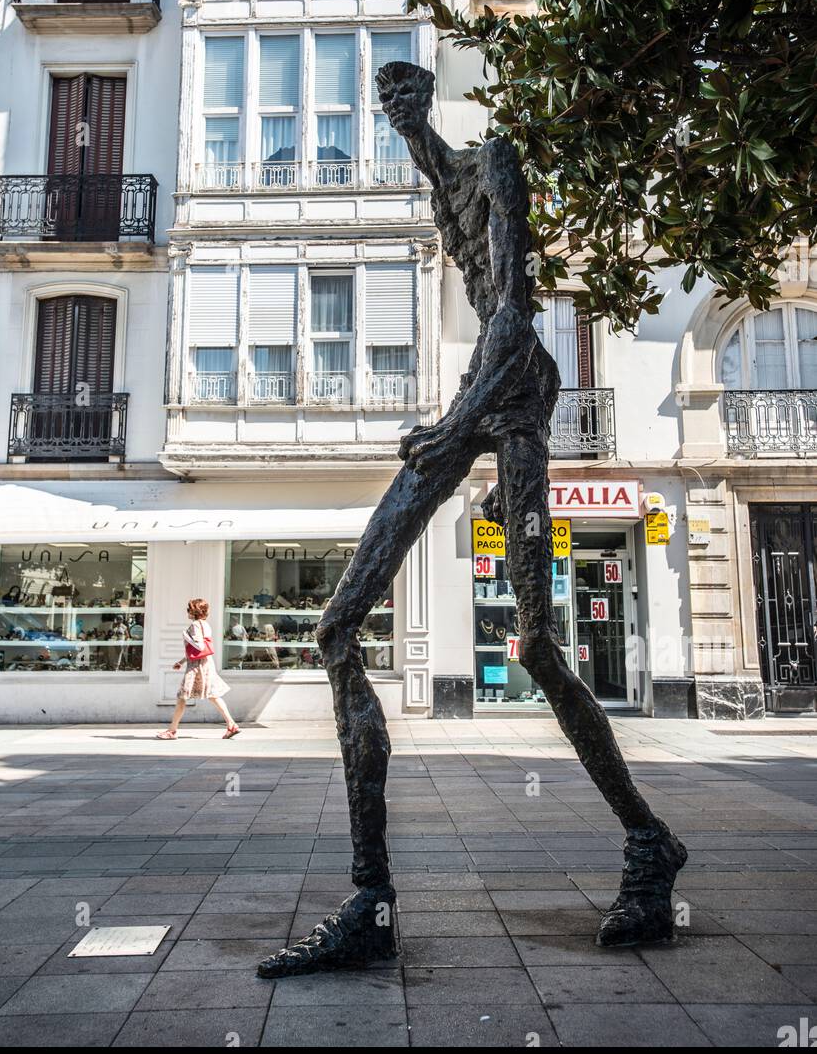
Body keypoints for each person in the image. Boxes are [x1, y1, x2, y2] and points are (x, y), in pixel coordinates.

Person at [258, 61, 686, 979]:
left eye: (407, 106)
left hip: (515, 392)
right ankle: (369, 897)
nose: (400, 122)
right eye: (389, 113)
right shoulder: (433, 187)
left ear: (427, 107)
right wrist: (455, 427)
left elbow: (517, 316)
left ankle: (649, 845)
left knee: (535, 646)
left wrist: (456, 429)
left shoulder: (491, 164)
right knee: (338, 629)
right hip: (475, 398)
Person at [156, 598, 239, 740]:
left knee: (183, 696)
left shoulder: (195, 625)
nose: (187, 612)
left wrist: (186, 637)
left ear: (194, 611)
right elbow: (201, 649)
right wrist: (182, 661)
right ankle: (232, 725)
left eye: (189, 609)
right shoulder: (206, 625)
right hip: (206, 663)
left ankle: (172, 731)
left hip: (196, 666)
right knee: (213, 695)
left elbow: (199, 647)